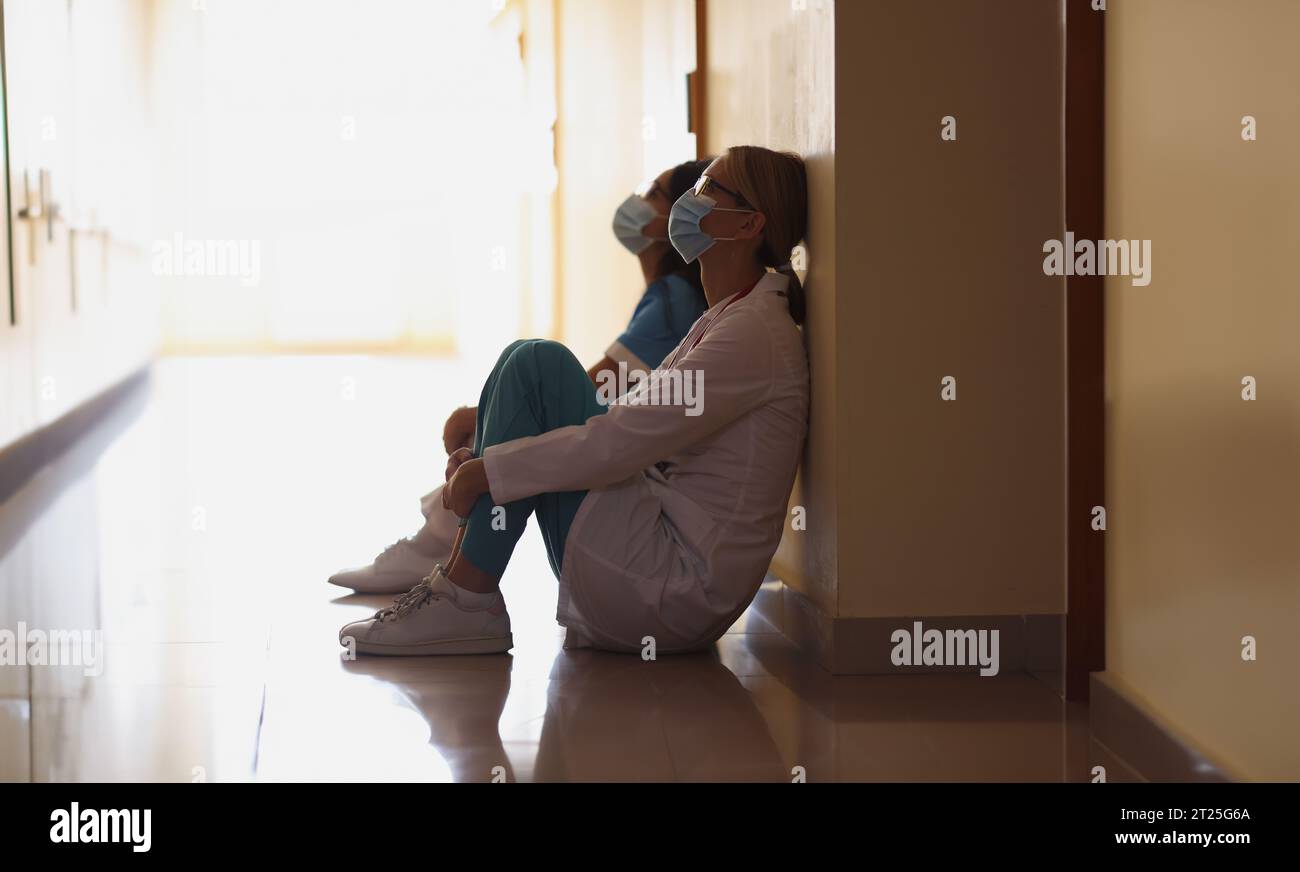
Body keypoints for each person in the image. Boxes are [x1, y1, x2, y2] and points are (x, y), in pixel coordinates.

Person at [339, 145, 809, 656]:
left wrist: (490, 470)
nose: (687, 203)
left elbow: (621, 440)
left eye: (706, 190)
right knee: (526, 359)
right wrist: (489, 455)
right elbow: (626, 418)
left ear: (747, 226)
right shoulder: (728, 317)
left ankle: (466, 597)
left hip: (674, 586)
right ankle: (460, 580)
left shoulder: (753, 333)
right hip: (654, 555)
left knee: (540, 364)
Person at [329, 158, 714, 594]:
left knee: (524, 377)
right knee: (517, 374)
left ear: (678, 217)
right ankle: (443, 546)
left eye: (653, 194)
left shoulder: (674, 300)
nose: (637, 203)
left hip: (636, 486)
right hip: (632, 471)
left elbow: (592, 389)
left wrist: (488, 416)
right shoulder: (666, 297)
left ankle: (441, 547)